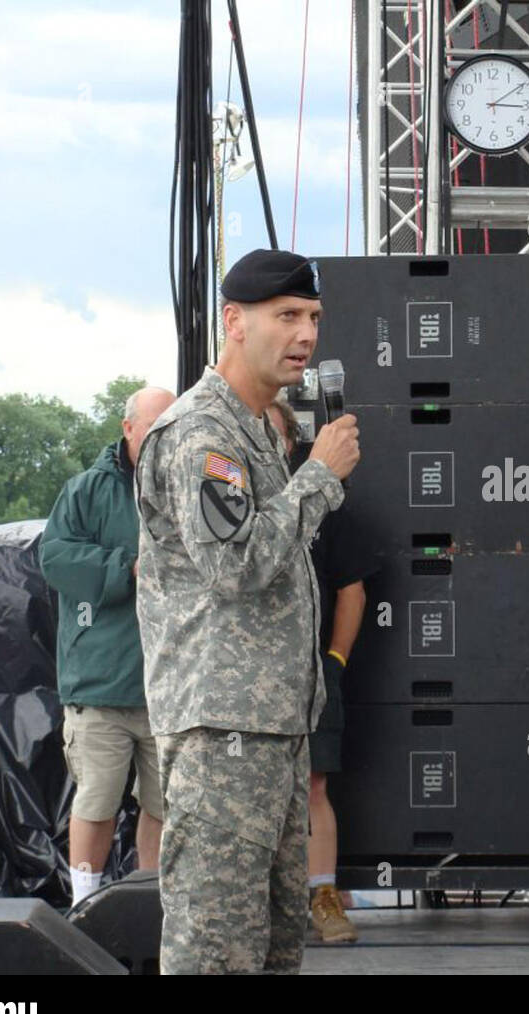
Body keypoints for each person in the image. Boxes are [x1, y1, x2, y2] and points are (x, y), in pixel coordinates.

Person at [134, 249, 360, 974]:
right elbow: (236, 565)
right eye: (287, 316)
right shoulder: (202, 432)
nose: (306, 335)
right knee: (216, 950)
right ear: (233, 322)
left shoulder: (259, 428)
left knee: (270, 948)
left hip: (271, 730)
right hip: (222, 734)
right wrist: (319, 476)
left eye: (314, 318)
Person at [41, 385, 175, 906]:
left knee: (163, 807)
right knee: (95, 803)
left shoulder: (193, 483)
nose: (164, 437)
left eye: (172, 426)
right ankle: (82, 905)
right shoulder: (84, 490)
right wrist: (130, 568)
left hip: (168, 691)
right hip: (99, 690)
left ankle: (152, 906)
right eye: (154, 426)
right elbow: (54, 558)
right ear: (128, 429)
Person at [267, 399, 380, 944]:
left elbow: (352, 588)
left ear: (293, 441)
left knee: (313, 786)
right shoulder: (229, 492)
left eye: (273, 428)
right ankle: (259, 903)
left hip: (311, 674)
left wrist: (334, 659)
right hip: (245, 680)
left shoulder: (323, 501)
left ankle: (324, 897)